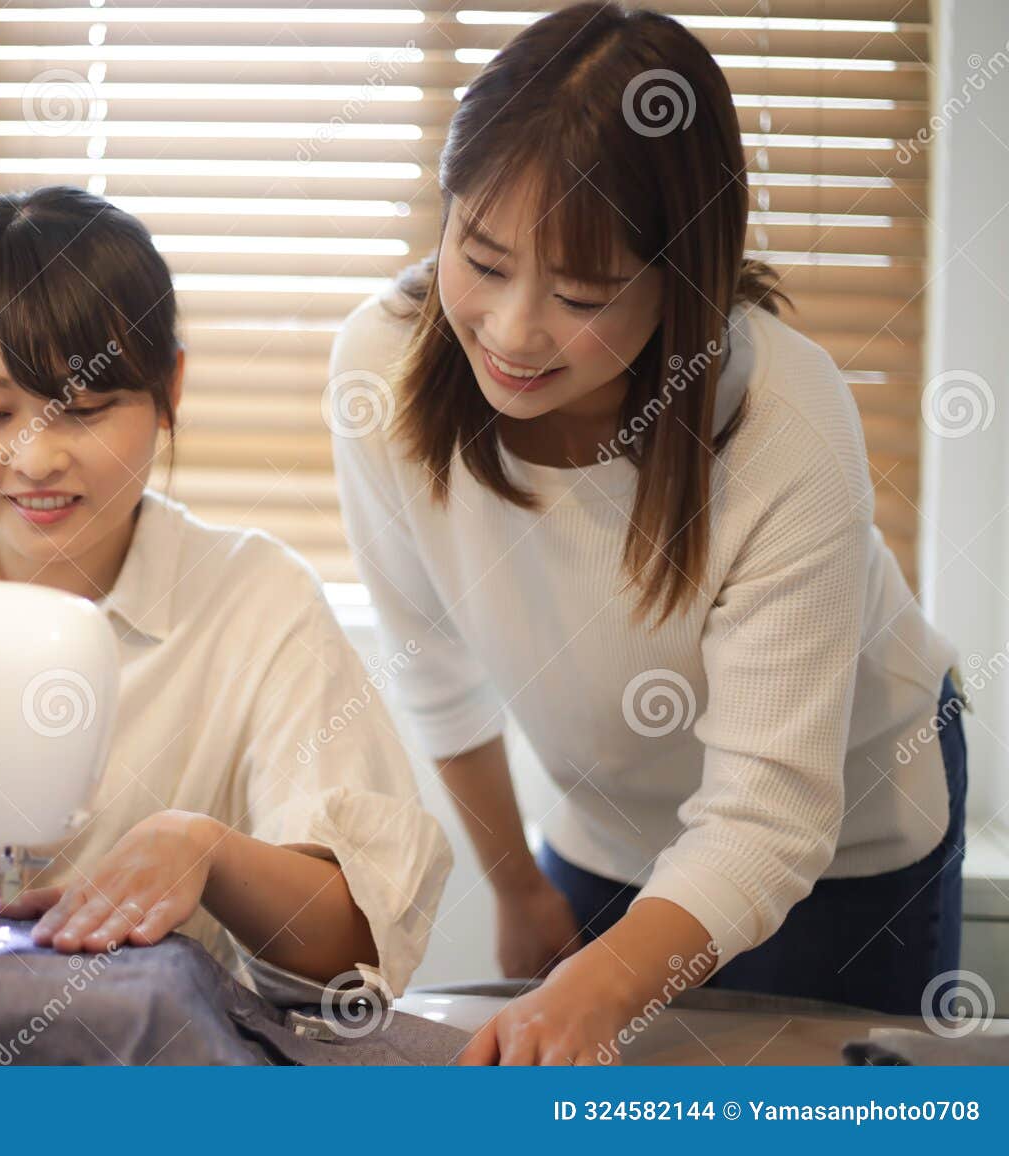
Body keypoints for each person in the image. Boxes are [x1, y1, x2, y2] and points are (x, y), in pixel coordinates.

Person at [329, 2, 965, 1063]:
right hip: (609, 821)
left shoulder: (785, 422)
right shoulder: (378, 372)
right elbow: (431, 663)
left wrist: (610, 974)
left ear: (685, 279)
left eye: (580, 290)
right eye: (480, 260)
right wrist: (516, 884)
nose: (514, 330)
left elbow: (766, 818)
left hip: (844, 827)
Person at [0, 186, 451, 1001]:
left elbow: (355, 945)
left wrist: (210, 855)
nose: (35, 458)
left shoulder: (255, 604)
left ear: (171, 390)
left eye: (87, 409)